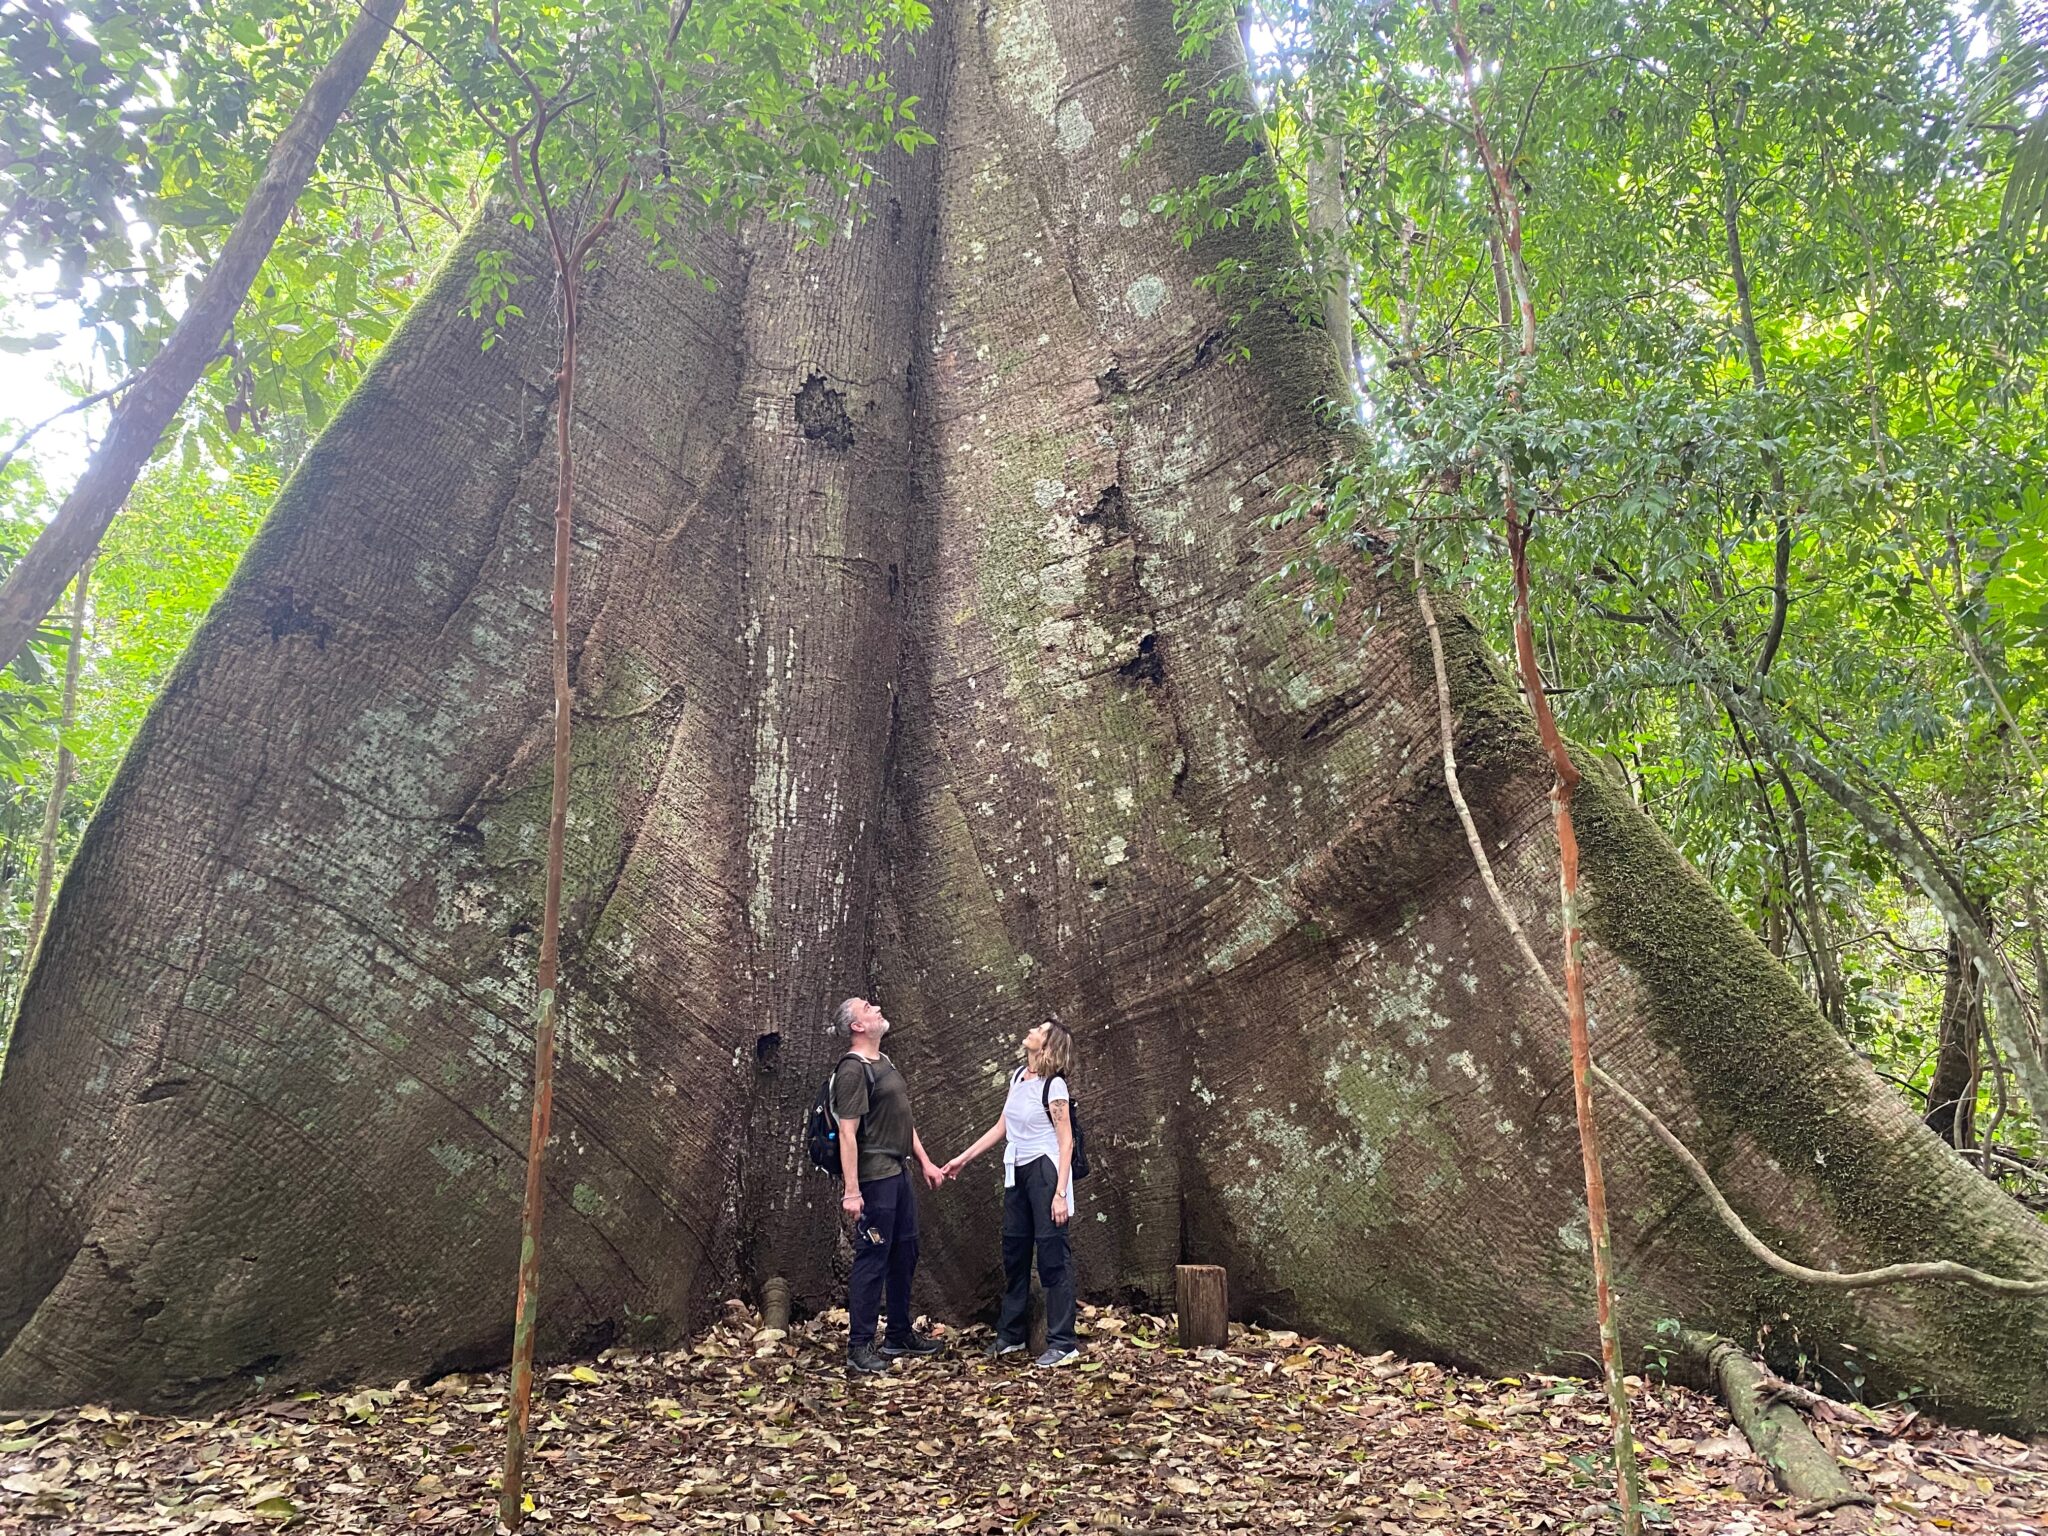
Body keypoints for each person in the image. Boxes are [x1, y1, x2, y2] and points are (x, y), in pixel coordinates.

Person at [945, 1017, 1079, 1368]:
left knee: (1052, 1255)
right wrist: (964, 1158)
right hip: (1016, 1170)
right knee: (1015, 1250)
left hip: (1047, 1171)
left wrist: (1060, 1193)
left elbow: (1066, 1143)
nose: (1032, 1030)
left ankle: (1063, 1342)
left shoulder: (1056, 1088)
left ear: (1048, 1045)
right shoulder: (1019, 1077)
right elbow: (1003, 1125)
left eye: (1040, 1029)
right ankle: (1010, 1335)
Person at [832, 996, 949, 1377]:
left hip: (899, 1174)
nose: (877, 1008)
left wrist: (925, 1160)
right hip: (874, 1178)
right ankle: (859, 1345)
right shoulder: (852, 1070)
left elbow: (903, 1117)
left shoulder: (884, 1063)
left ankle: (898, 1334)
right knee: (873, 1257)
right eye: (867, 1008)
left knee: (905, 1253)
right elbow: (847, 1134)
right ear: (856, 1027)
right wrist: (852, 1191)